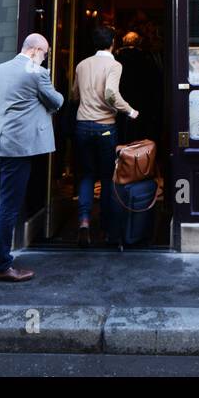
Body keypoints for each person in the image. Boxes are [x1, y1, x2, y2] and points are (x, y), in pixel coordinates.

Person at [0, 32, 63, 281]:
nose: (45, 59)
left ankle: (1, 259)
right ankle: (1, 265)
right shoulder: (36, 72)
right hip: (17, 148)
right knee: (9, 206)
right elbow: (56, 101)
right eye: (45, 54)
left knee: (4, 203)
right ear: (35, 50)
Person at [70, 26, 138, 246]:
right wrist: (129, 110)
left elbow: (74, 94)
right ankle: (107, 228)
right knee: (108, 177)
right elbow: (111, 93)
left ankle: (84, 221)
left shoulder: (81, 65)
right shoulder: (114, 64)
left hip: (82, 125)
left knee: (87, 175)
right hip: (105, 126)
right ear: (112, 43)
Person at [116, 30, 162, 140]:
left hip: (121, 95)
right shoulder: (145, 56)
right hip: (141, 97)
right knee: (139, 127)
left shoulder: (116, 56)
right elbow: (152, 79)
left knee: (121, 125)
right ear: (139, 42)